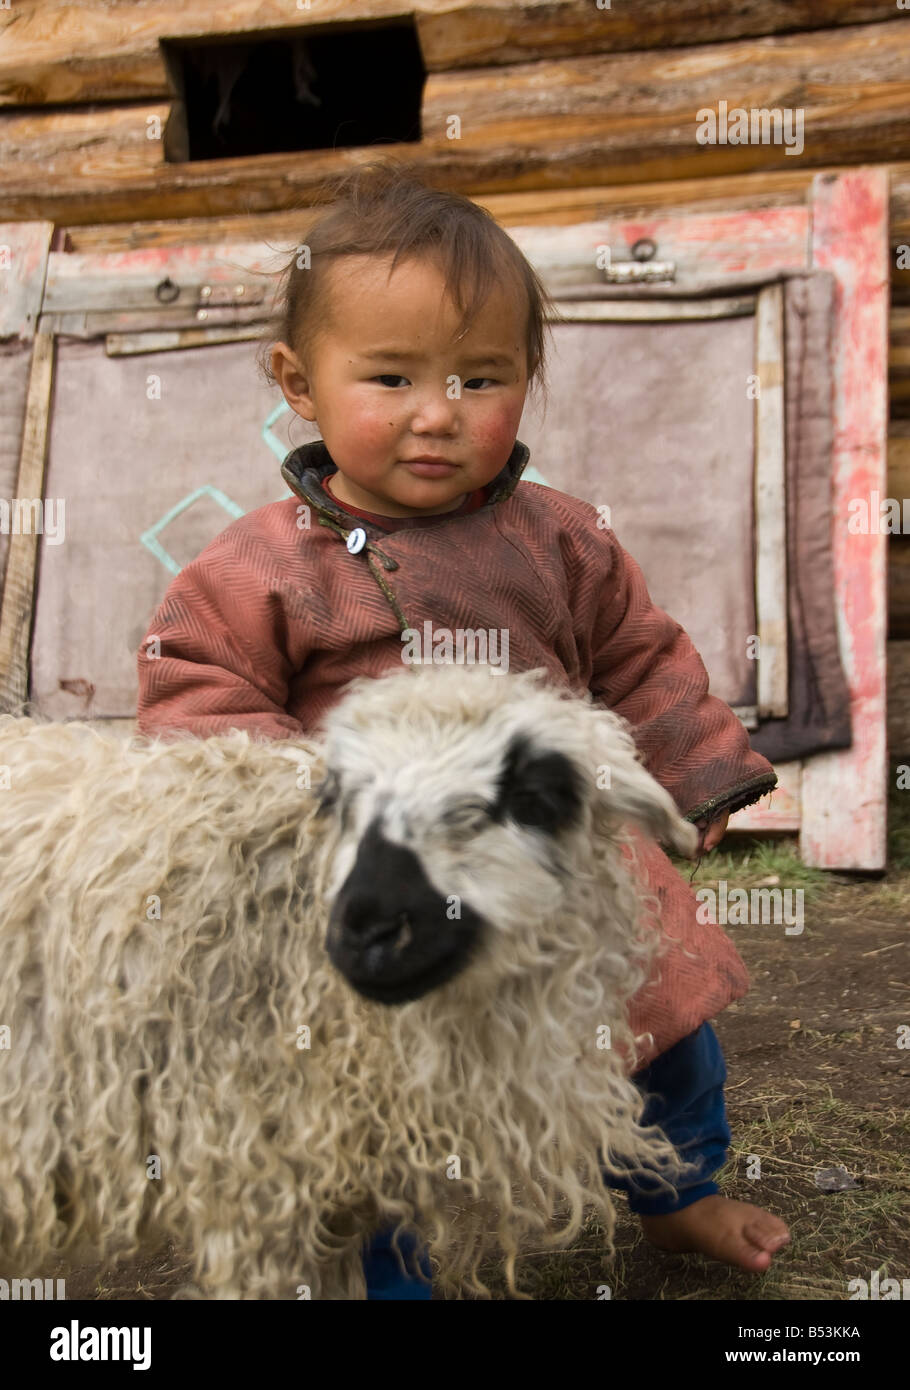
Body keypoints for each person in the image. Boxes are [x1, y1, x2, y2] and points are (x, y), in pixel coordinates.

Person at [136, 161, 790, 1297]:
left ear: (526, 384)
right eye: (390, 376)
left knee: (665, 1021)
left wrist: (697, 772)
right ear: (297, 381)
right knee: (365, 1096)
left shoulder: (561, 540)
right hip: (375, 882)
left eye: (479, 378)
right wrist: (292, 813)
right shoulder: (256, 567)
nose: (437, 412)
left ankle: (678, 1189)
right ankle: (386, 1275)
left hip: (555, 872)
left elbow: (637, 656)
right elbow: (199, 692)